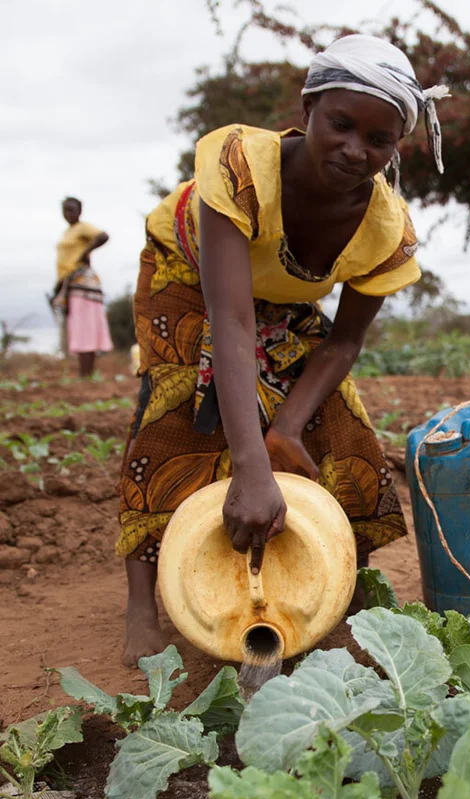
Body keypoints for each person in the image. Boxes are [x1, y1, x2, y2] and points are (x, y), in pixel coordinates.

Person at [117, 34, 449, 665]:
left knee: (340, 423)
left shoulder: (386, 228)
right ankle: (142, 599)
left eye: (379, 141)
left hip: (281, 292)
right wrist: (250, 464)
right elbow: (231, 322)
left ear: (396, 146)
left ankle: (340, 585)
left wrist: (286, 428)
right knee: (182, 406)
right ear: (308, 110)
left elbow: (345, 340)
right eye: (341, 124)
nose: (356, 150)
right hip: (189, 275)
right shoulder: (242, 166)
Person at [52, 198, 112, 377]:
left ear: (80, 211)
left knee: (85, 326)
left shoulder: (83, 227)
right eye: (65, 210)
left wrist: (85, 253)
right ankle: (84, 373)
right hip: (70, 282)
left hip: (82, 283)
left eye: (72, 210)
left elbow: (103, 236)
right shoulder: (67, 232)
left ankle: (86, 374)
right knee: (78, 326)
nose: (68, 214)